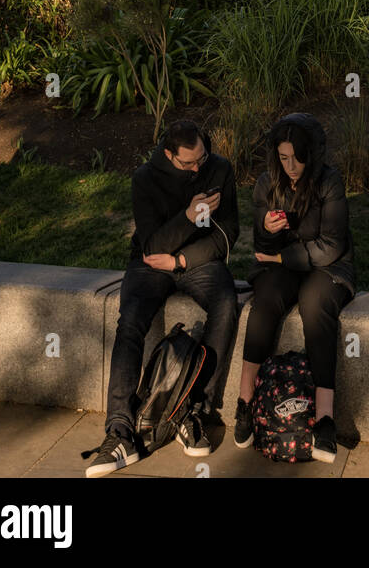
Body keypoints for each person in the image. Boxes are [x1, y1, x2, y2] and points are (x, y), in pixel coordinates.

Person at [85, 119, 239, 477]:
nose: (198, 167)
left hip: (197, 260)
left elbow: (228, 233)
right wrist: (189, 217)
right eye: (189, 163)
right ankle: (120, 430)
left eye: (202, 156)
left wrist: (183, 260)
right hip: (152, 263)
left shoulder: (219, 169)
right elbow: (152, 245)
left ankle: (195, 409)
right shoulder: (145, 179)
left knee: (226, 303)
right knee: (131, 321)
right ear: (169, 155)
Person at [233, 112, 355, 463]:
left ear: (312, 154)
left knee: (315, 304)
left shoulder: (330, 182)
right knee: (266, 299)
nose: (291, 166)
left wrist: (281, 259)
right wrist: (267, 229)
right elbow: (260, 246)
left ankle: (326, 420)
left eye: (297, 157)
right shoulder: (266, 184)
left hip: (327, 265)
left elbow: (330, 245)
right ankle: (243, 402)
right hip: (282, 264)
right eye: (284, 157)